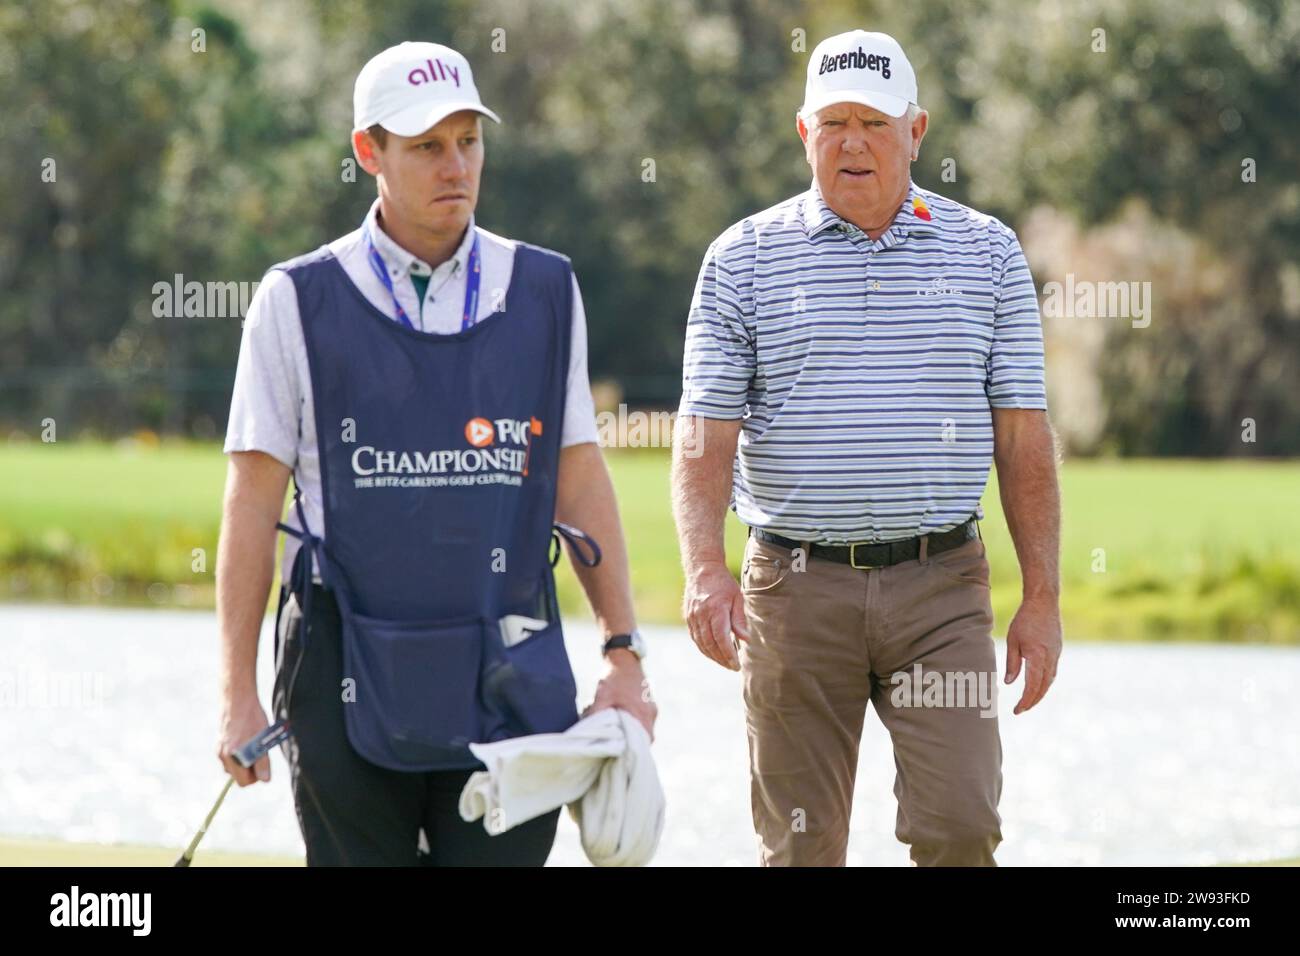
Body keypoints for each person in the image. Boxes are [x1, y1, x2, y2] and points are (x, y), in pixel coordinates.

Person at [216, 40, 655, 866]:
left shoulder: (546, 289)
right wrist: (237, 692)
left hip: (508, 671)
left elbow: (578, 473)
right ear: (368, 152)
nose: (455, 165)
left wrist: (623, 654)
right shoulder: (294, 301)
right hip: (339, 671)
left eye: (468, 141)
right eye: (426, 146)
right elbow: (251, 503)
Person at [671, 29, 1062, 866]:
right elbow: (704, 431)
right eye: (834, 121)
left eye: (875, 123)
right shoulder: (740, 259)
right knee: (801, 847)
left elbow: (1023, 437)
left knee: (961, 827)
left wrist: (1044, 596)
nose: (853, 141)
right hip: (795, 587)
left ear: (916, 133)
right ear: (802, 131)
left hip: (942, 586)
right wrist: (704, 567)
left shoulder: (988, 254)